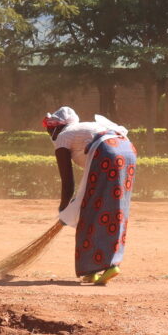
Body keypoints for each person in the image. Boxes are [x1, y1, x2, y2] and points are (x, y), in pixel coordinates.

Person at [43, 106, 138, 285]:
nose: (48, 131)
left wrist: (64, 208)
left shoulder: (64, 136)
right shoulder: (81, 131)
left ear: (58, 126)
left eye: (50, 126)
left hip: (107, 151)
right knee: (114, 210)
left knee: (91, 214)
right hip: (127, 150)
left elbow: (67, 180)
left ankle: (108, 265)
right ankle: (94, 269)